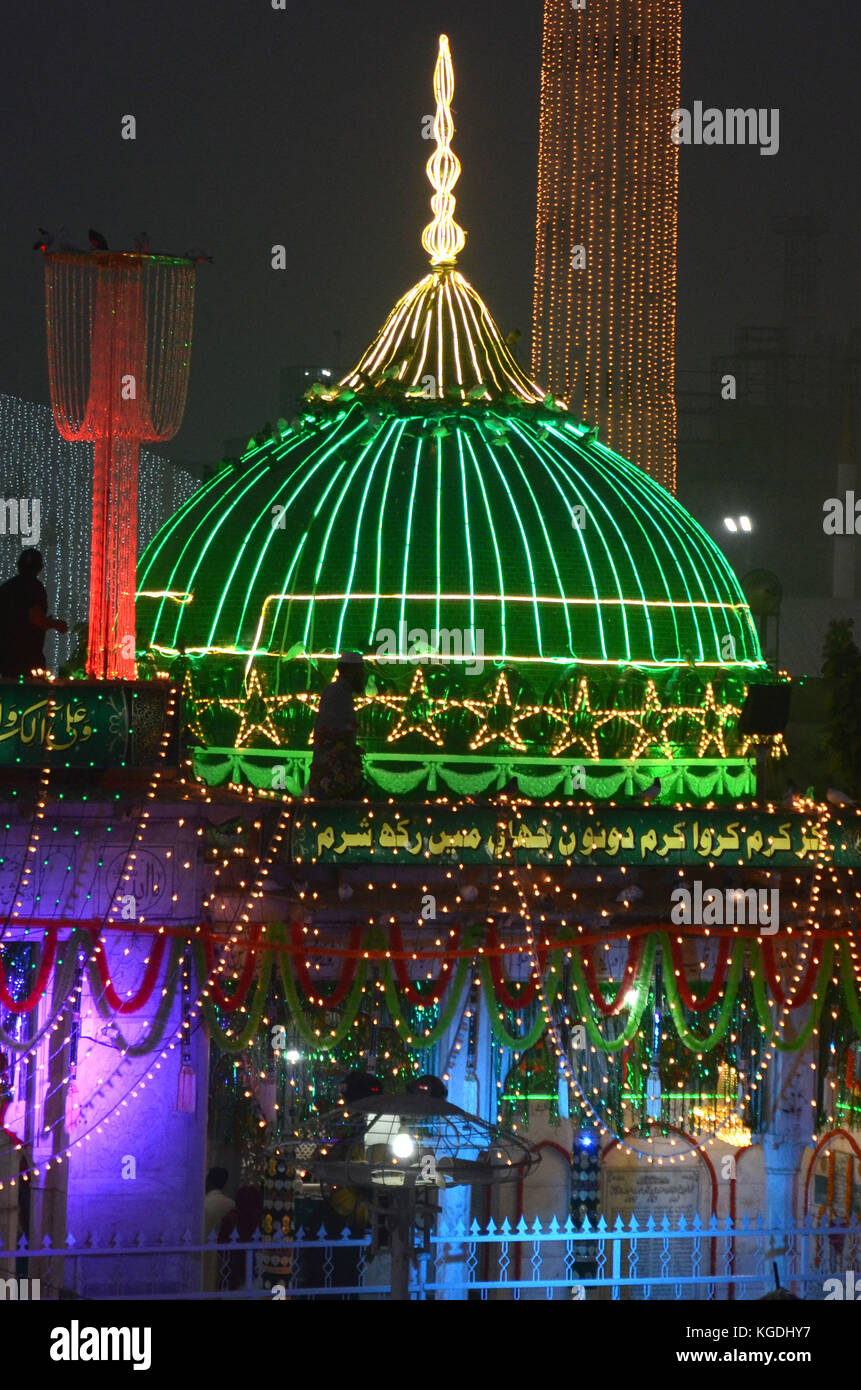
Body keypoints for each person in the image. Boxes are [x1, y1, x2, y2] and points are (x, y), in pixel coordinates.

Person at [305, 651, 367, 798]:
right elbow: (329, 732)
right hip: (332, 769)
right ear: (350, 671)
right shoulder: (336, 692)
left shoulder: (341, 692)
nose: (363, 675)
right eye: (360, 671)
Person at [0, 550, 67, 679]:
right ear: (40, 567)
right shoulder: (34, 587)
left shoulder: (7, 587)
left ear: (19, 565)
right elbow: (36, 618)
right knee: (34, 693)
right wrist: (56, 624)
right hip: (28, 656)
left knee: (12, 692)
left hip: (6, 655)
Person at [202, 1167, 235, 1294]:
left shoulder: (204, 1204)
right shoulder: (231, 1204)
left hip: (206, 1251)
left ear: (208, 1181)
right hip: (225, 1254)